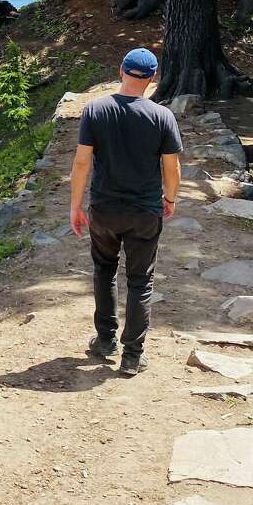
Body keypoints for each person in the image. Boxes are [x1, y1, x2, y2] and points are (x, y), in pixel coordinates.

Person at [69, 47, 182, 376]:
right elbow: (171, 167)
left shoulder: (95, 110)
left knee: (104, 270)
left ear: (121, 71)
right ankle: (132, 356)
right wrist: (170, 199)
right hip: (145, 210)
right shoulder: (162, 116)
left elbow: (81, 162)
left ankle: (105, 341)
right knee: (140, 281)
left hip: (104, 208)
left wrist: (76, 205)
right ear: (152, 78)